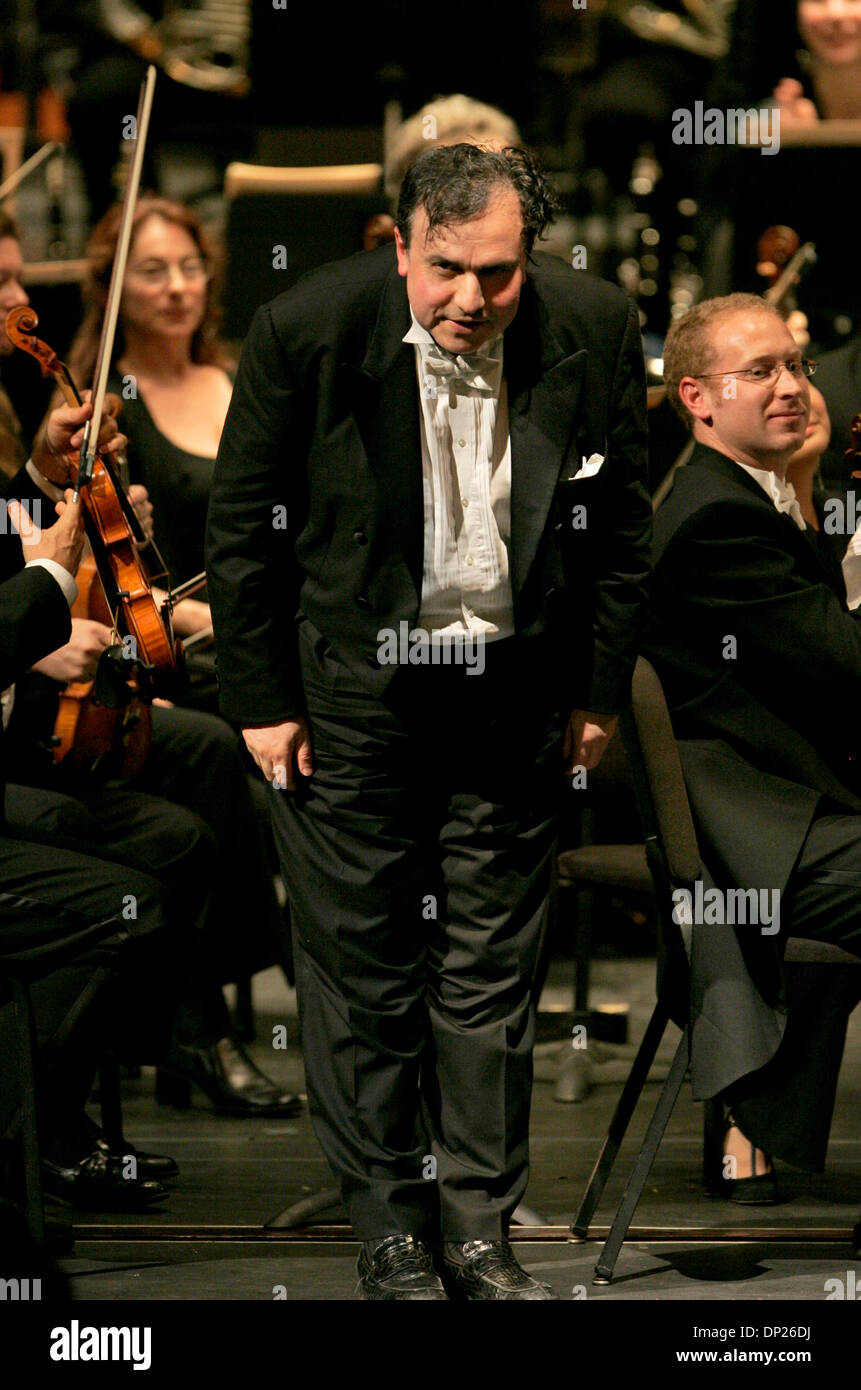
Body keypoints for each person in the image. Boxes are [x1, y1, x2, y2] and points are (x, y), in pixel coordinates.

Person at [206, 142, 652, 1299]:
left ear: (531, 257)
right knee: (363, 972)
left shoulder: (593, 326)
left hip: (512, 690)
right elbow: (243, 527)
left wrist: (599, 691)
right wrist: (261, 702)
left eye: (498, 274)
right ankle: (389, 1225)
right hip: (357, 692)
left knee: (491, 976)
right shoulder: (309, 327)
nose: (471, 299)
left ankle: (477, 1224)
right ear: (398, 245)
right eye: (446, 268)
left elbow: (619, 532)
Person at [0, 218, 297, 1119]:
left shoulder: (13, 401)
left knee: (205, 762)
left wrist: (52, 488)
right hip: (34, 702)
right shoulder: (92, 379)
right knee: (174, 821)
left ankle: (190, 1025)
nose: (22, 302)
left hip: (77, 670)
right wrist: (52, 593)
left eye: (21, 279)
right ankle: (96, 1085)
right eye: (3, 284)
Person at [645, 293, 861, 1204]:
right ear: (695, 396)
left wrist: (808, 489)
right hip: (752, 829)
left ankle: (755, 1123)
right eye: (759, 372)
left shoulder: (746, 495)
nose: (792, 388)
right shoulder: (714, 521)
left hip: (783, 798)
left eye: (796, 366)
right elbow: (843, 662)